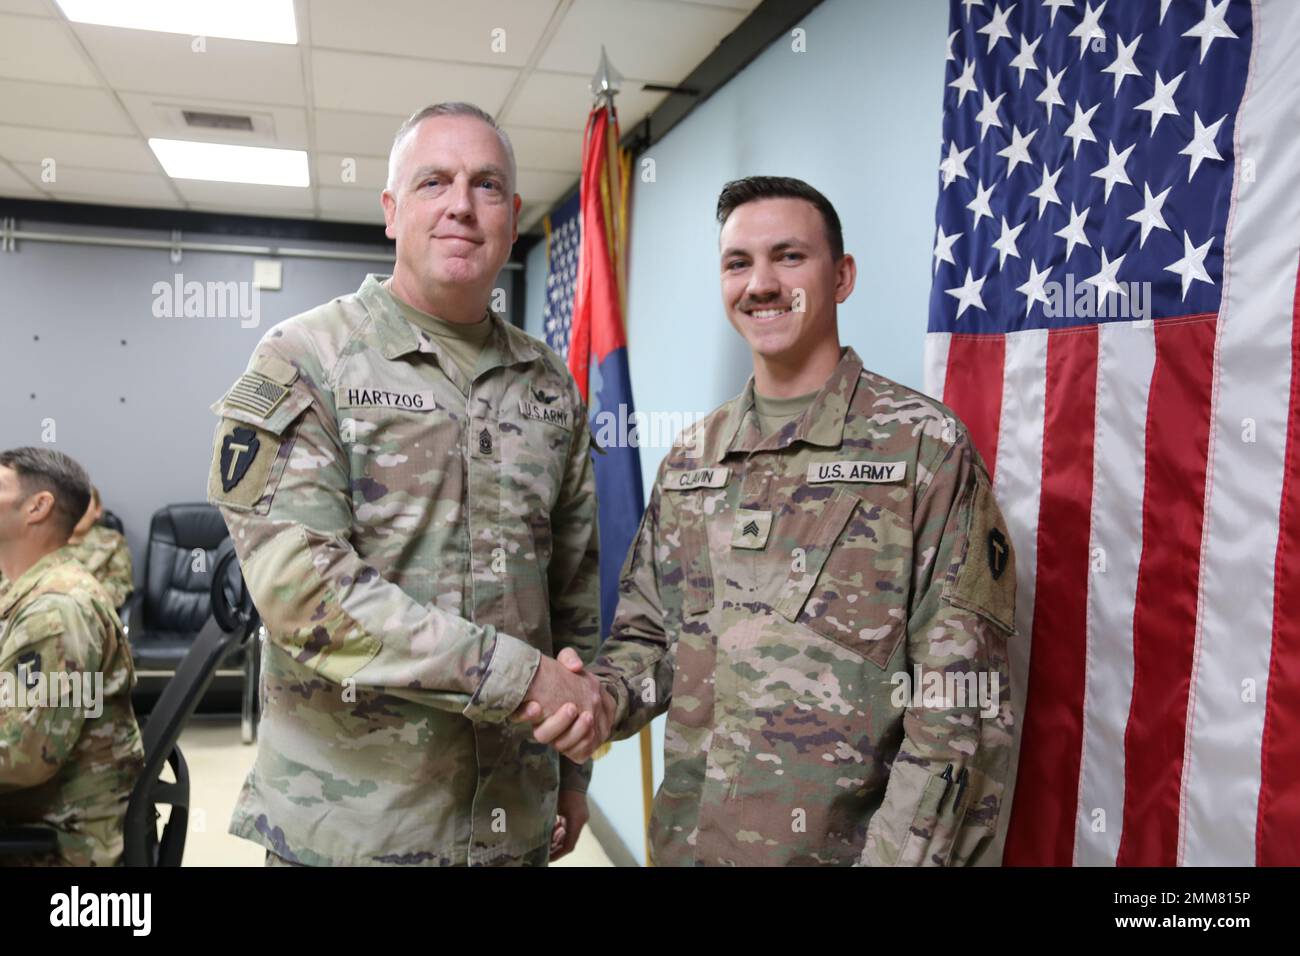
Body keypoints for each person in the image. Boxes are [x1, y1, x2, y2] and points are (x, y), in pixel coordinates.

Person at [522, 176, 1017, 866]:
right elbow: (653, 638)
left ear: (841, 277)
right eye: (738, 262)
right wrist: (598, 698)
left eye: (789, 257)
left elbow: (958, 710)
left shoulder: (924, 452)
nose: (761, 283)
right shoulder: (693, 459)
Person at [207, 102, 607, 867]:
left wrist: (571, 768)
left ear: (512, 215)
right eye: (434, 181)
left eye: (486, 185)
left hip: (509, 821)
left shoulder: (548, 383)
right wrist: (522, 677)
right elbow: (303, 593)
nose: (461, 203)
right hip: (355, 829)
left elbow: (571, 590)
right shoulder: (306, 358)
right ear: (392, 211)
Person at [0, 447, 144, 866]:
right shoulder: (32, 588)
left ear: (37, 506)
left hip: (64, 839)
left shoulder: (57, 609)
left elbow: (26, 755)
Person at [64, 487, 133, 610]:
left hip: (91, 611)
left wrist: (84, 598)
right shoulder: (46, 541)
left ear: (97, 511)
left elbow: (120, 585)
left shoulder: (112, 541)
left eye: (83, 504)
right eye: (72, 503)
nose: (77, 510)